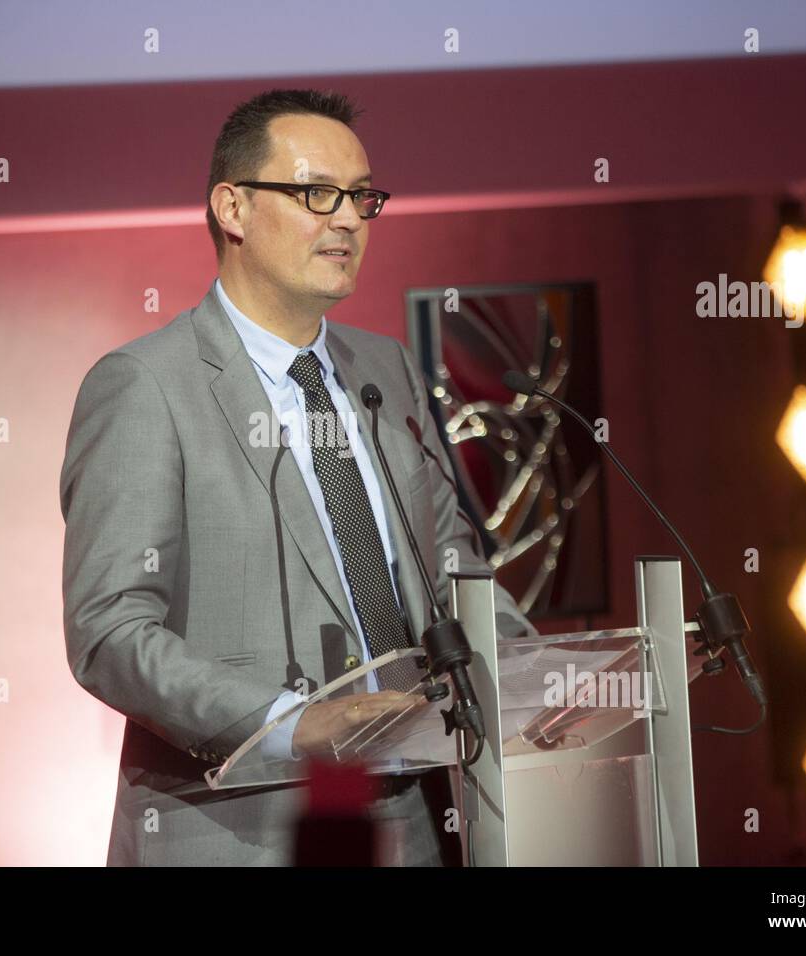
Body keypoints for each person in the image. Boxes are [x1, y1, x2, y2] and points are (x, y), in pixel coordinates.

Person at [60, 88, 534, 866]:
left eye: (362, 198)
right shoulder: (146, 386)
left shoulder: (384, 369)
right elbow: (110, 632)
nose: (348, 219)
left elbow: (451, 566)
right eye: (318, 194)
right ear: (233, 208)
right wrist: (292, 722)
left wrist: (543, 678)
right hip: (239, 831)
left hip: (419, 819)